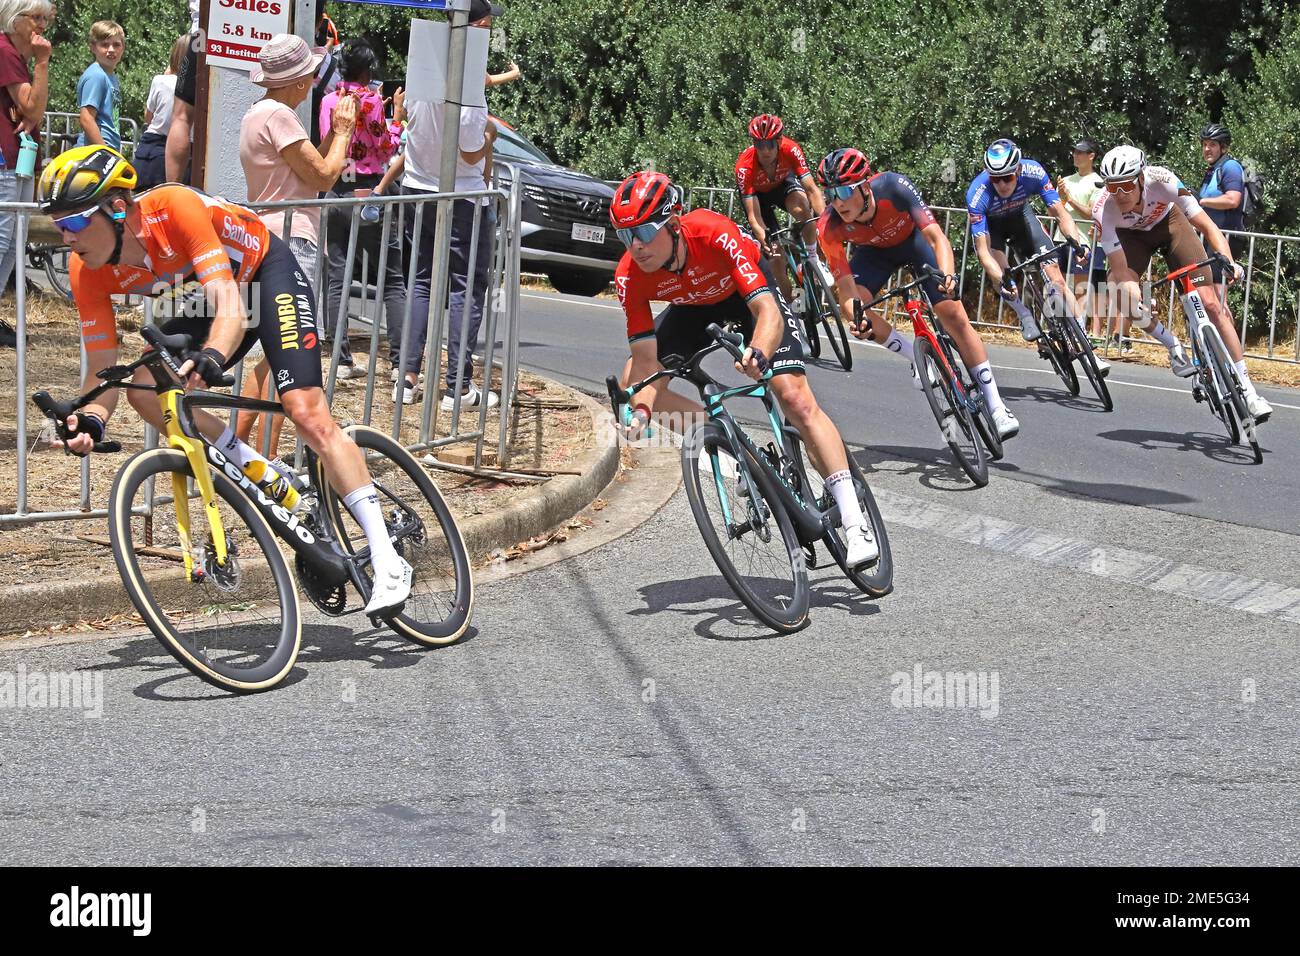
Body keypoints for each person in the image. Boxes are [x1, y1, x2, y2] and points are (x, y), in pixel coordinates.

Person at [39, 145, 413, 614]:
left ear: (118, 207)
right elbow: (101, 365)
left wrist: (214, 354)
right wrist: (91, 418)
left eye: (74, 222)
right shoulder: (86, 270)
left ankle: (387, 558)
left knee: (306, 413)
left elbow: (232, 304)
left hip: (265, 277)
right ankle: (262, 471)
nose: (66, 237)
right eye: (58, 226)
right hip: (213, 303)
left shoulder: (174, 209)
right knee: (144, 386)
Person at [611, 170, 878, 567]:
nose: (636, 246)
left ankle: (855, 520)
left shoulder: (713, 232)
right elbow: (648, 363)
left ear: (673, 223)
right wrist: (643, 411)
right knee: (633, 380)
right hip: (690, 309)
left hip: (746, 296)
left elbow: (766, 310)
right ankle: (736, 453)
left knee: (794, 397)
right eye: (624, 235)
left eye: (644, 233)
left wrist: (759, 352)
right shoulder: (629, 276)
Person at [818, 147, 1021, 440]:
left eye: (844, 190)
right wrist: (858, 318)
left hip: (915, 243)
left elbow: (936, 237)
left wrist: (948, 275)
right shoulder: (830, 227)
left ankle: (996, 406)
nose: (837, 201)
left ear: (864, 185)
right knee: (854, 309)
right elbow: (846, 289)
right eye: (830, 193)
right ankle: (915, 356)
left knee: (953, 314)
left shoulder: (893, 187)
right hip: (875, 255)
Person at [1092, 145, 1271, 422]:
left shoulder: (1163, 181)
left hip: (1170, 224)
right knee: (1120, 294)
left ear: (1141, 178)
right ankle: (1173, 344)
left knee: (1212, 303)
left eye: (1126, 185)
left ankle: (1248, 391)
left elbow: (1207, 226)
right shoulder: (1104, 209)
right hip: (1132, 238)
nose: (1120, 194)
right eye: (1112, 187)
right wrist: (1134, 292)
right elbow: (1121, 270)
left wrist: (1228, 260)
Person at [240, 31, 358, 416]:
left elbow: (305, 171)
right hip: (292, 240)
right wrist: (342, 134)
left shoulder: (258, 113)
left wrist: (331, 139)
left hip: (267, 236)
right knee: (284, 358)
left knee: (271, 357)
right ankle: (263, 457)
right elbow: (324, 177)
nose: (313, 81)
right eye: (309, 74)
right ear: (297, 81)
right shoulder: (279, 116)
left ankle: (242, 453)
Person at [397, 0, 504, 410]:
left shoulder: (422, 72)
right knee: (466, 289)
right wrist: (491, 136)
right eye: (488, 27)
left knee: (420, 281)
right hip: (462, 197)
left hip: (416, 189)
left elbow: (410, 127)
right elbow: (471, 151)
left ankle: (406, 377)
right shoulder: (469, 85)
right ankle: (457, 387)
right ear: (476, 26)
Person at [318, 38, 407, 383]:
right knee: (393, 280)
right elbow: (386, 147)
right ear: (368, 70)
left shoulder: (329, 101)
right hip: (368, 191)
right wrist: (396, 118)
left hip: (337, 189)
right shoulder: (370, 103)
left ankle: (340, 360)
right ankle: (401, 363)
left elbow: (330, 141)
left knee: (337, 278)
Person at [967, 139, 1095, 353]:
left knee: (1056, 277)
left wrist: (1077, 243)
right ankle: (1024, 314)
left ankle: (1082, 336)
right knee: (1002, 271)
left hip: (1021, 219)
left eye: (1007, 178)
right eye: (995, 179)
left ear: (1018, 170)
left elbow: (1060, 213)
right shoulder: (978, 193)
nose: (1001, 185)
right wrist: (1001, 277)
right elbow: (983, 252)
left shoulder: (1033, 172)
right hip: (994, 229)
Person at [734, 113, 825, 303]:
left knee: (803, 212)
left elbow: (811, 189)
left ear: (779, 141)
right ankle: (792, 307)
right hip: (759, 199)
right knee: (775, 258)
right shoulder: (744, 166)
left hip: (783, 185)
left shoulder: (791, 149)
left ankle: (811, 258)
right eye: (759, 145)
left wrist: (824, 220)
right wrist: (764, 236)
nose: (765, 151)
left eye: (769, 145)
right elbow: (753, 216)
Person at [0, 0, 52, 323]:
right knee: (4, 238)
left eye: (45, 19)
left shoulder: (15, 55)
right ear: (15, 19)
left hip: (17, 158)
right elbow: (33, 107)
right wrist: (43, 62)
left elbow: (33, 111)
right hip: (6, 160)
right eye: (36, 18)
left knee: (14, 241)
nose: (42, 26)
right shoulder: (5, 52)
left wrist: (32, 115)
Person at [1053, 138, 1116, 345]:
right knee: (1058, 284)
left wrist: (1068, 198)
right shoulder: (1067, 180)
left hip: (1084, 242)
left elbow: (1091, 213)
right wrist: (1059, 198)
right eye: (1074, 152)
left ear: (1091, 156)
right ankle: (1062, 328)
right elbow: (1053, 210)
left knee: (1082, 289)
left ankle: (1081, 331)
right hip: (1061, 238)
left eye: (1081, 152)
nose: (1075, 155)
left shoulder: (1098, 181)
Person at [133, 34, 188, 191]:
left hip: (153, 146)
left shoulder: (160, 81)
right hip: (183, 151)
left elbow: (148, 117)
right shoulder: (198, 88)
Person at [1196, 122, 1247, 285]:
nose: (1206, 149)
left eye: (1212, 144)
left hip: (1225, 237)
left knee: (1217, 296)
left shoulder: (1230, 167)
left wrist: (1202, 201)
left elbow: (1233, 199)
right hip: (1210, 237)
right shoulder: (1212, 170)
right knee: (1207, 295)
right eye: (1204, 144)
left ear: (1223, 147)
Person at [75, 20, 123, 151]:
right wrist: (105, 151)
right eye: (105, 45)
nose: (111, 50)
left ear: (123, 48)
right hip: (95, 152)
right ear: (93, 47)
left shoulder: (111, 77)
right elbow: (87, 118)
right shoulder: (96, 76)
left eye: (116, 45)